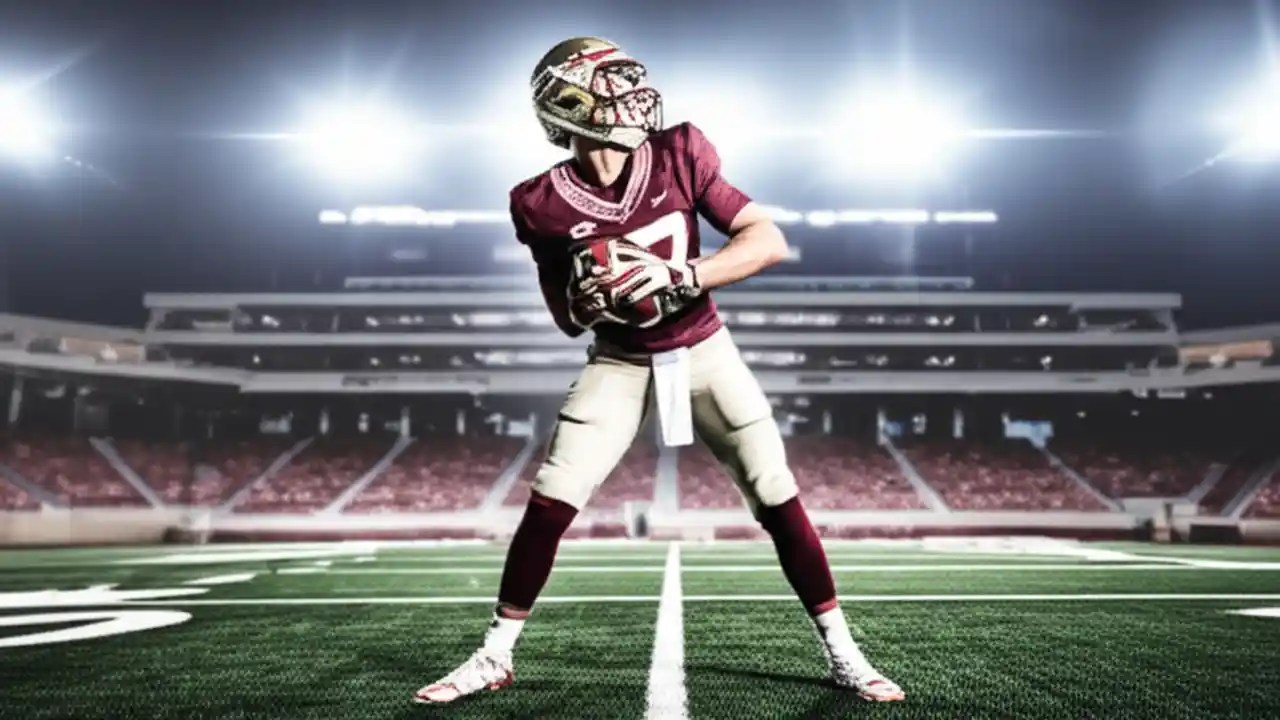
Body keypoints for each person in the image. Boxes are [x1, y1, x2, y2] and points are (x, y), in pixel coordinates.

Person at [415, 36, 904, 705]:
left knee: (775, 491)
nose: (634, 93)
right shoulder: (538, 203)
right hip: (620, 361)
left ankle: (844, 652)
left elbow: (767, 238)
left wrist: (681, 275)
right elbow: (565, 317)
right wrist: (589, 297)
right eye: (612, 82)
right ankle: (495, 655)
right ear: (569, 102)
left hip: (705, 349)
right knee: (551, 496)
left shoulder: (679, 151)